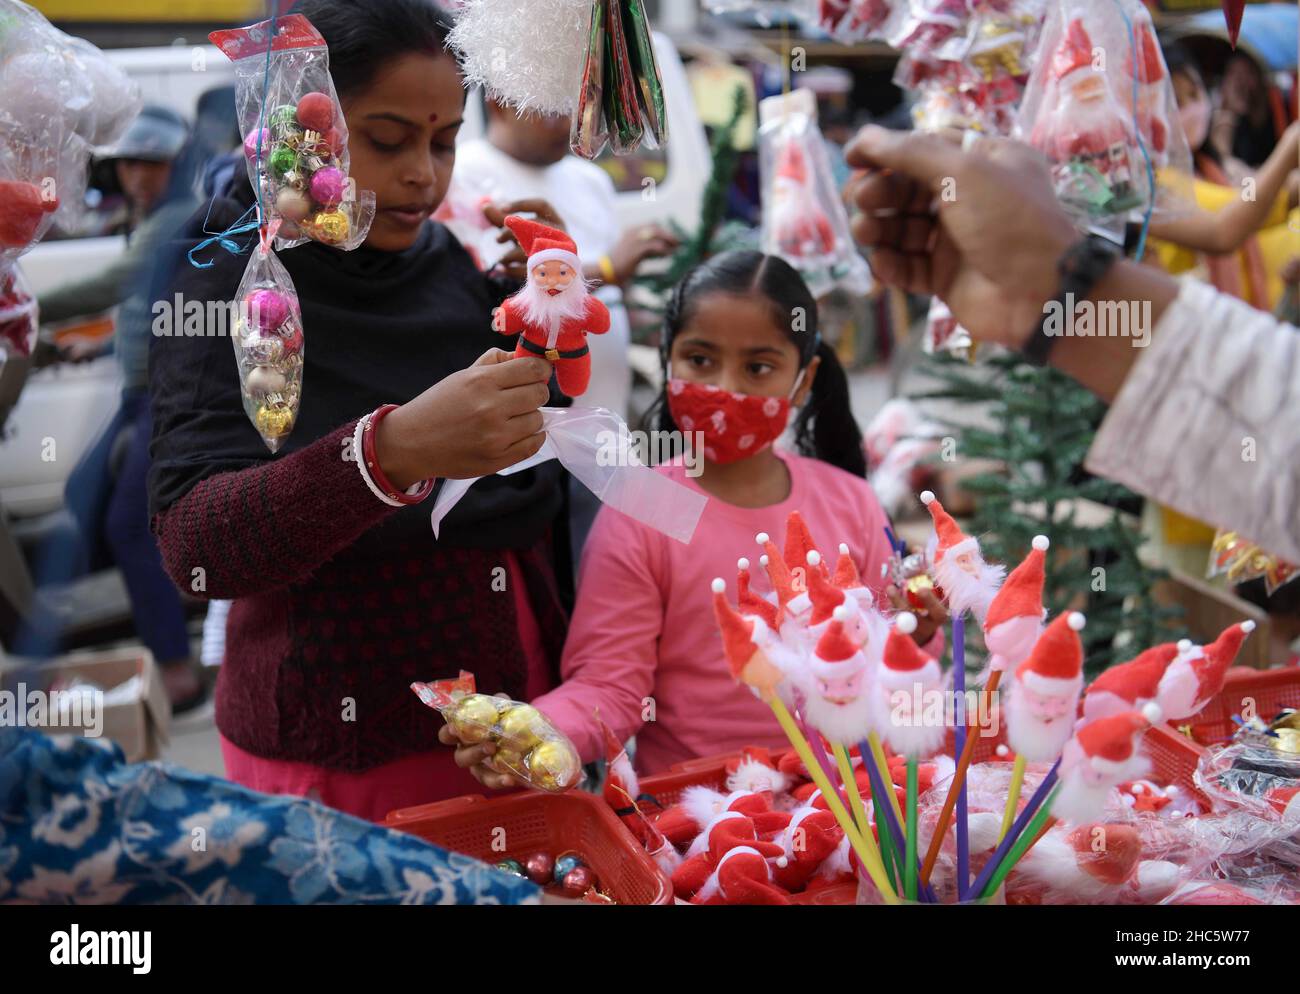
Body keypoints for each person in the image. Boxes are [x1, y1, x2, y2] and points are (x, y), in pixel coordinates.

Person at [148, 0, 572, 823]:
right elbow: (196, 546)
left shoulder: (446, 259)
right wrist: (389, 455)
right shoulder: (233, 285)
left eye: (445, 138)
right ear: (303, 129)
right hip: (337, 761)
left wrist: (540, 308)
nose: (425, 172)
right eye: (387, 139)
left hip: (510, 725)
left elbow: (521, 458)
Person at [443, 250, 948, 786]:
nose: (726, 389)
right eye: (701, 360)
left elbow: (890, 653)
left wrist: (918, 629)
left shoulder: (851, 502)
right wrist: (534, 730)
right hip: (697, 826)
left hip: (851, 813)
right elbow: (611, 688)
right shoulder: (640, 511)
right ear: (667, 357)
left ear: (803, 380)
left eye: (758, 367)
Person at [843, 125, 1299, 563]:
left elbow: (1237, 221)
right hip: (1142, 390)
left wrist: (1058, 292)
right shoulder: (1140, 180)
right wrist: (1054, 290)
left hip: (1159, 396)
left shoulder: (1214, 175)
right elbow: (1227, 227)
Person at [29, 105, 206, 711]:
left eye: (151, 164)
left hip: (168, 396)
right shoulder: (148, 216)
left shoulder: (177, 216)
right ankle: (175, 589)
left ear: (174, 165)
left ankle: (176, 664)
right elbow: (143, 312)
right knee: (84, 491)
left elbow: (119, 282)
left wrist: (26, 305)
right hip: (138, 391)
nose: (138, 176)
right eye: (129, 164)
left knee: (129, 524)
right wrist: (95, 347)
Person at [453, 98, 677, 418]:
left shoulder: (590, 180)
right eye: (550, 109)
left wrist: (678, 330)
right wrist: (609, 267)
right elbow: (503, 289)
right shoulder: (465, 172)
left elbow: (616, 302)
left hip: (604, 419)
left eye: (571, 107)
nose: (566, 122)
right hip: (528, 435)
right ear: (498, 104)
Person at [1148, 46, 1300, 312]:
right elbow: (1231, 217)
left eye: (1194, 94)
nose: (1190, 110)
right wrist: (1289, 149)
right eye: (1175, 103)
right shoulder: (1153, 185)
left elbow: (1254, 194)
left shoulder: (1217, 169)